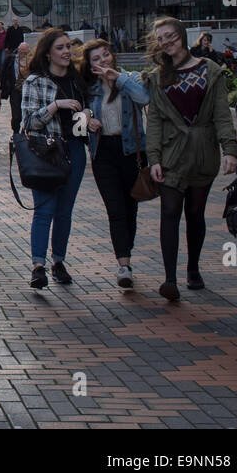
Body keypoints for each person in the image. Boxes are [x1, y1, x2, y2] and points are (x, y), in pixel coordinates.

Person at [144, 16, 237, 301]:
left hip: (202, 153)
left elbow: (222, 114)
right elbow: (156, 120)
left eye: (170, 35)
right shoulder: (159, 75)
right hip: (172, 154)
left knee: (195, 213)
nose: (166, 42)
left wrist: (230, 149)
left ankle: (193, 269)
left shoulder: (209, 70)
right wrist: (154, 158)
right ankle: (170, 279)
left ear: (183, 36)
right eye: (161, 38)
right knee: (169, 212)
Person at [21, 28, 90, 289]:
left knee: (64, 211)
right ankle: (38, 266)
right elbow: (29, 123)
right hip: (46, 153)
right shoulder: (35, 81)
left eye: (68, 47)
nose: (66, 52)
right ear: (48, 52)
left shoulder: (76, 80)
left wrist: (88, 120)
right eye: (60, 47)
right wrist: (56, 106)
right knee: (44, 210)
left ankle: (58, 261)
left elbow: (79, 123)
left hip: (74, 151)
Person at [80, 39, 149, 289]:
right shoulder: (89, 88)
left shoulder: (130, 79)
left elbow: (144, 97)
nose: (103, 62)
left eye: (106, 55)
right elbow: (77, 121)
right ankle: (124, 264)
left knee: (131, 209)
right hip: (104, 152)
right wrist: (87, 121)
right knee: (116, 209)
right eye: (96, 59)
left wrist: (117, 78)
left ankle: (125, 249)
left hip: (132, 151)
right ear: (89, 65)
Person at [8, 42, 31, 133]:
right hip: (15, 89)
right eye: (21, 52)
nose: (23, 54)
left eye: (25, 53)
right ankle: (15, 132)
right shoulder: (11, 59)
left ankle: (24, 131)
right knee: (16, 115)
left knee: (28, 112)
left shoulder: (31, 60)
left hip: (28, 90)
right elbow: (5, 73)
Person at [2, 18, 25, 97]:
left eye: (16, 21)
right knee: (11, 60)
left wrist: (21, 46)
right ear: (13, 21)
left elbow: (22, 38)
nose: (15, 22)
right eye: (14, 21)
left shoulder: (20, 29)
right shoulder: (10, 29)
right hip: (11, 46)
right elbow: (7, 38)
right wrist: (6, 46)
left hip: (18, 46)